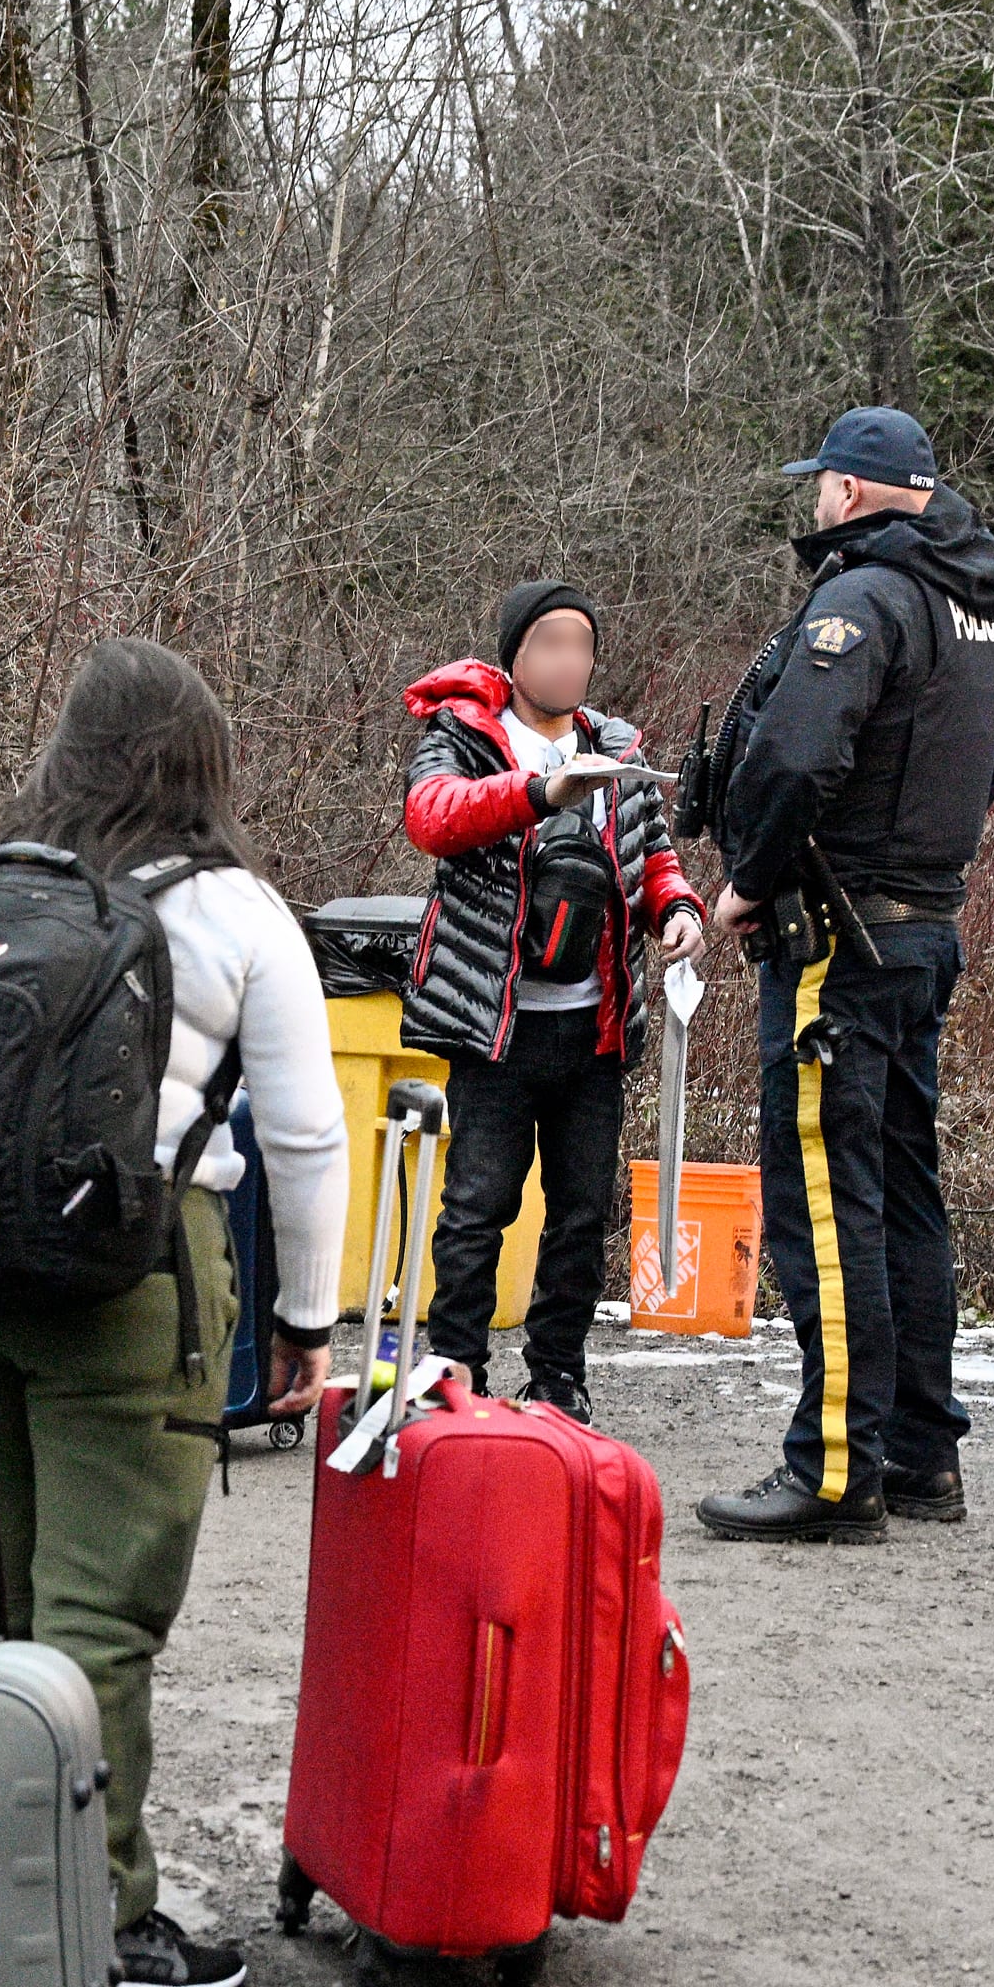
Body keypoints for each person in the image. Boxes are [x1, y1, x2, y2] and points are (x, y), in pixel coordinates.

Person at [0, 638, 350, 1987]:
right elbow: (304, 1135)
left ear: (69, 755)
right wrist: (305, 1319)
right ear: (205, 772)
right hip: (132, 1281)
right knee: (96, 1615)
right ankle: (95, 1921)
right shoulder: (237, 912)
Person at [693, 408, 994, 1542]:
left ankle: (836, 1470)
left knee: (827, 1203)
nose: (815, 503)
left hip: (840, 940)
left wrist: (748, 879)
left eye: (820, 484)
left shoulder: (865, 599)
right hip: (923, 930)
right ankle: (922, 1454)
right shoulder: (974, 604)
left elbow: (793, 756)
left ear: (848, 491)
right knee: (904, 1193)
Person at [400, 581, 705, 1418]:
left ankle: (560, 1375)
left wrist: (677, 911)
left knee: (579, 1214)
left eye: (581, 646)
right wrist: (541, 793)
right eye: (551, 644)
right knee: (477, 1206)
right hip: (492, 1026)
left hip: (591, 1028)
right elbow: (432, 818)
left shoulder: (617, 748)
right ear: (515, 657)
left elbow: (654, 857)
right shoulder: (465, 735)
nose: (569, 661)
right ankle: (455, 1367)